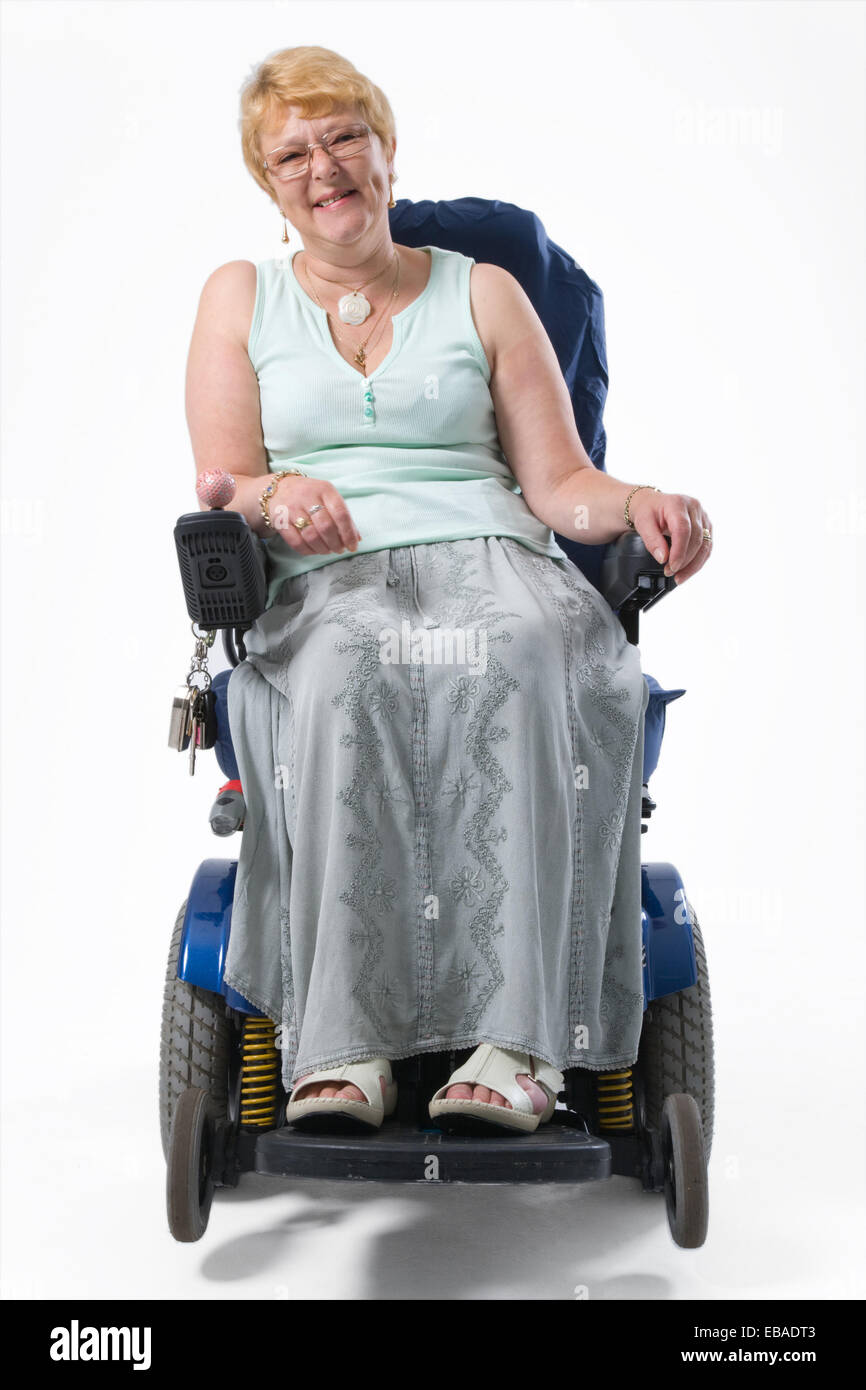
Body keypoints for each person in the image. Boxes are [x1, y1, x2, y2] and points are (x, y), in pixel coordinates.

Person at [184, 45, 713, 1135]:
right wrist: (278, 494)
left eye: (343, 139)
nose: (324, 166)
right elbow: (224, 472)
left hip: (491, 551)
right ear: (266, 183)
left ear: (386, 153)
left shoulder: (485, 289)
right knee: (340, 672)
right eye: (293, 152)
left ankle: (517, 1048)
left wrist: (642, 499)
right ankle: (345, 1047)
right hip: (326, 569)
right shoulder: (241, 295)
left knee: (524, 656)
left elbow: (559, 483)